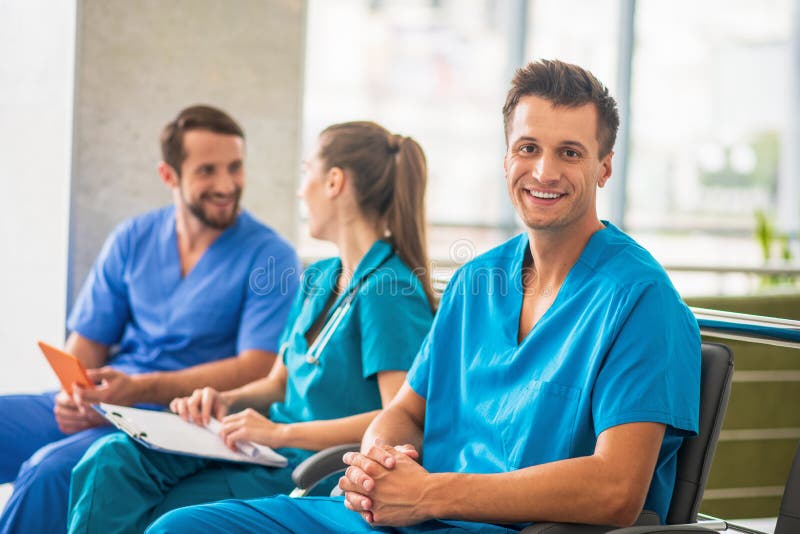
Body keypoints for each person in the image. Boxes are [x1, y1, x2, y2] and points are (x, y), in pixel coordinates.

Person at [148, 59, 702, 534]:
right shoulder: (475, 283)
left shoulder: (640, 301)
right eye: (527, 148)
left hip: (478, 523)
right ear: (506, 159)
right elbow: (405, 411)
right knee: (181, 526)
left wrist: (430, 495)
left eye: (571, 153)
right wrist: (378, 462)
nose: (544, 171)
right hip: (392, 516)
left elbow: (617, 489)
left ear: (604, 166)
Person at [67, 121, 437, 533]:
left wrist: (280, 432)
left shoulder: (389, 289)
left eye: (305, 173)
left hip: (310, 469)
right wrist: (220, 401)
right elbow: (277, 384)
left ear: (334, 181)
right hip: (261, 447)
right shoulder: (319, 278)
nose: (301, 190)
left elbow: (398, 417)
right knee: (111, 462)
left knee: (164, 512)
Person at [0, 105, 300, 534]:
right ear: (169, 176)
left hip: (172, 421)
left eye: (235, 168)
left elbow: (257, 367)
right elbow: (86, 343)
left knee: (48, 472)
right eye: (207, 171)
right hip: (106, 402)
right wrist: (76, 394)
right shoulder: (133, 238)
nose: (226, 185)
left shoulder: (270, 256)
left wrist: (138, 390)